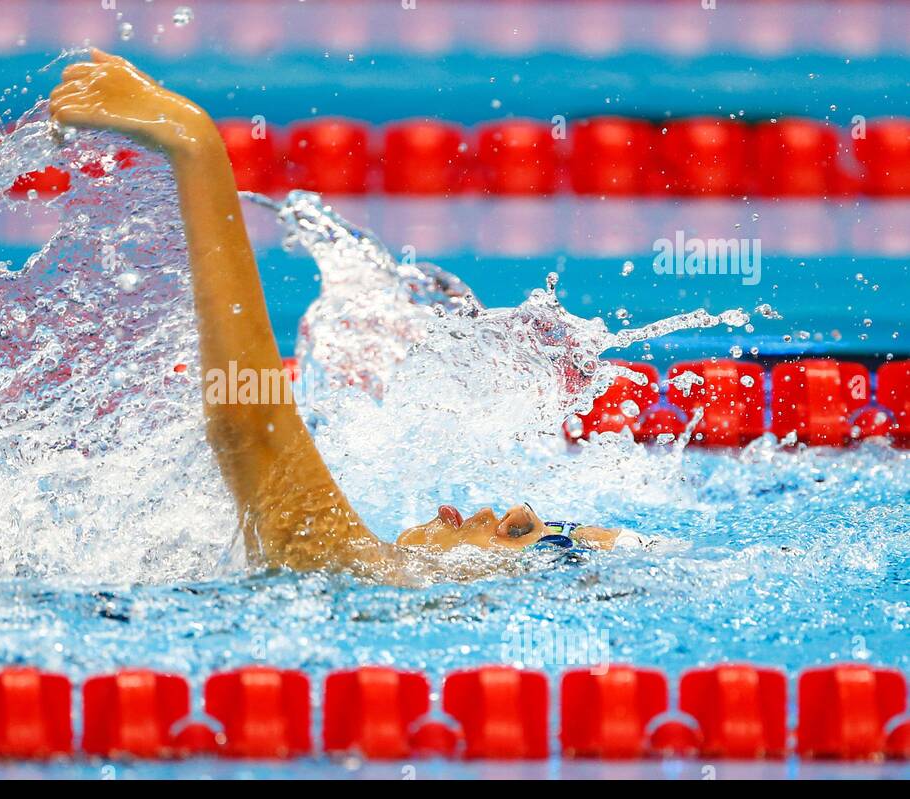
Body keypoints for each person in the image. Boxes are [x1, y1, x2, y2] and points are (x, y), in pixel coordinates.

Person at [49, 50, 635, 581]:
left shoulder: (371, 574)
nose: (489, 510)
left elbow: (246, 423)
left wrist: (194, 145)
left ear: (496, 588)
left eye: (515, 531)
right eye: (522, 517)